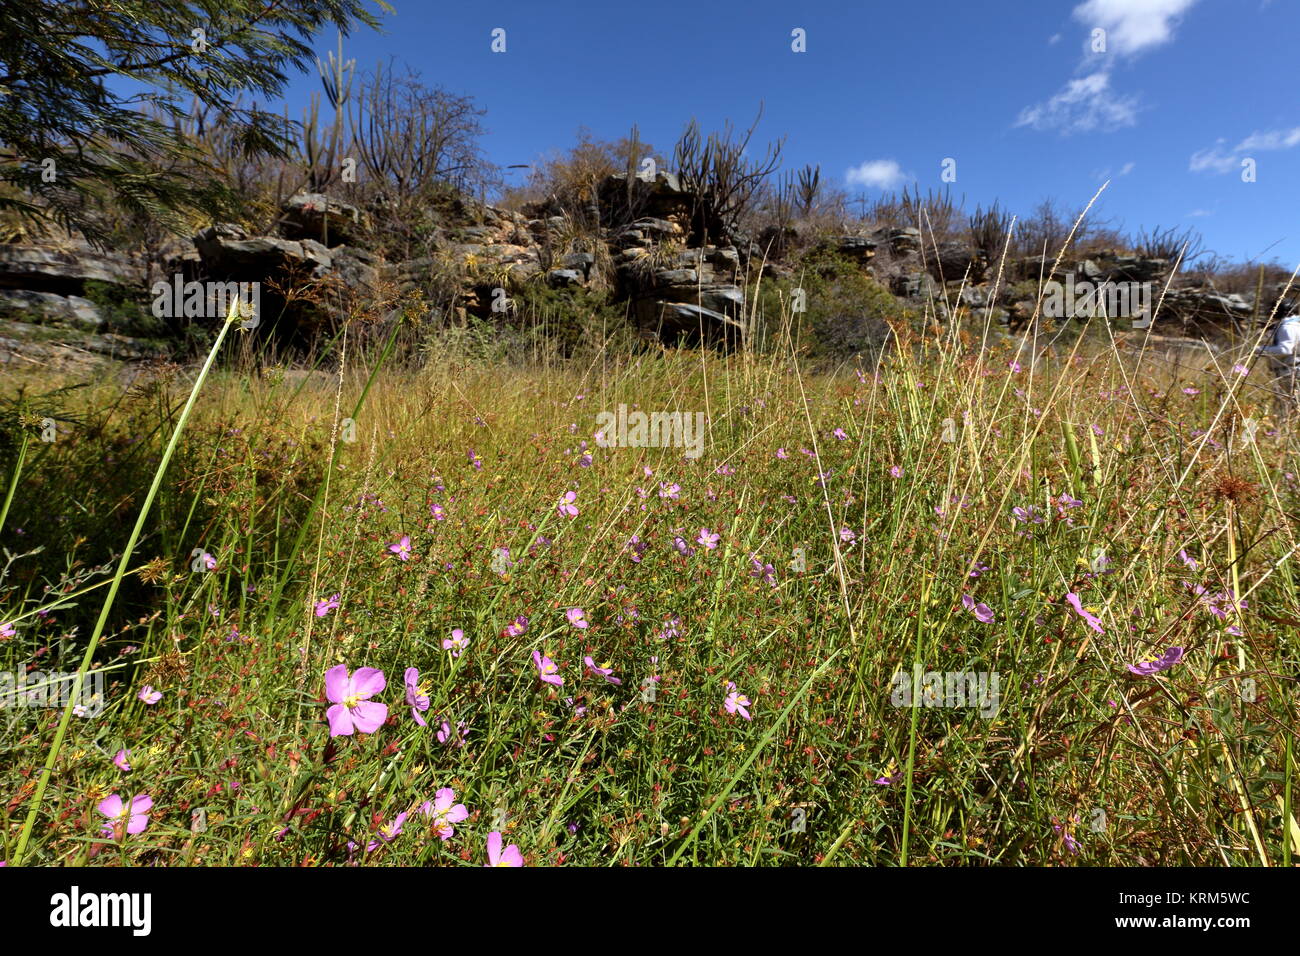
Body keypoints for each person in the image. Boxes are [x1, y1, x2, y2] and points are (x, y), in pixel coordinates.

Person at [1257, 313, 1300, 419]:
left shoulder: (1287, 327)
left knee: (1285, 407)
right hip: (1291, 371)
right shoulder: (1295, 325)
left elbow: (1285, 349)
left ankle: (1281, 432)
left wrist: (1259, 349)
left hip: (1289, 372)